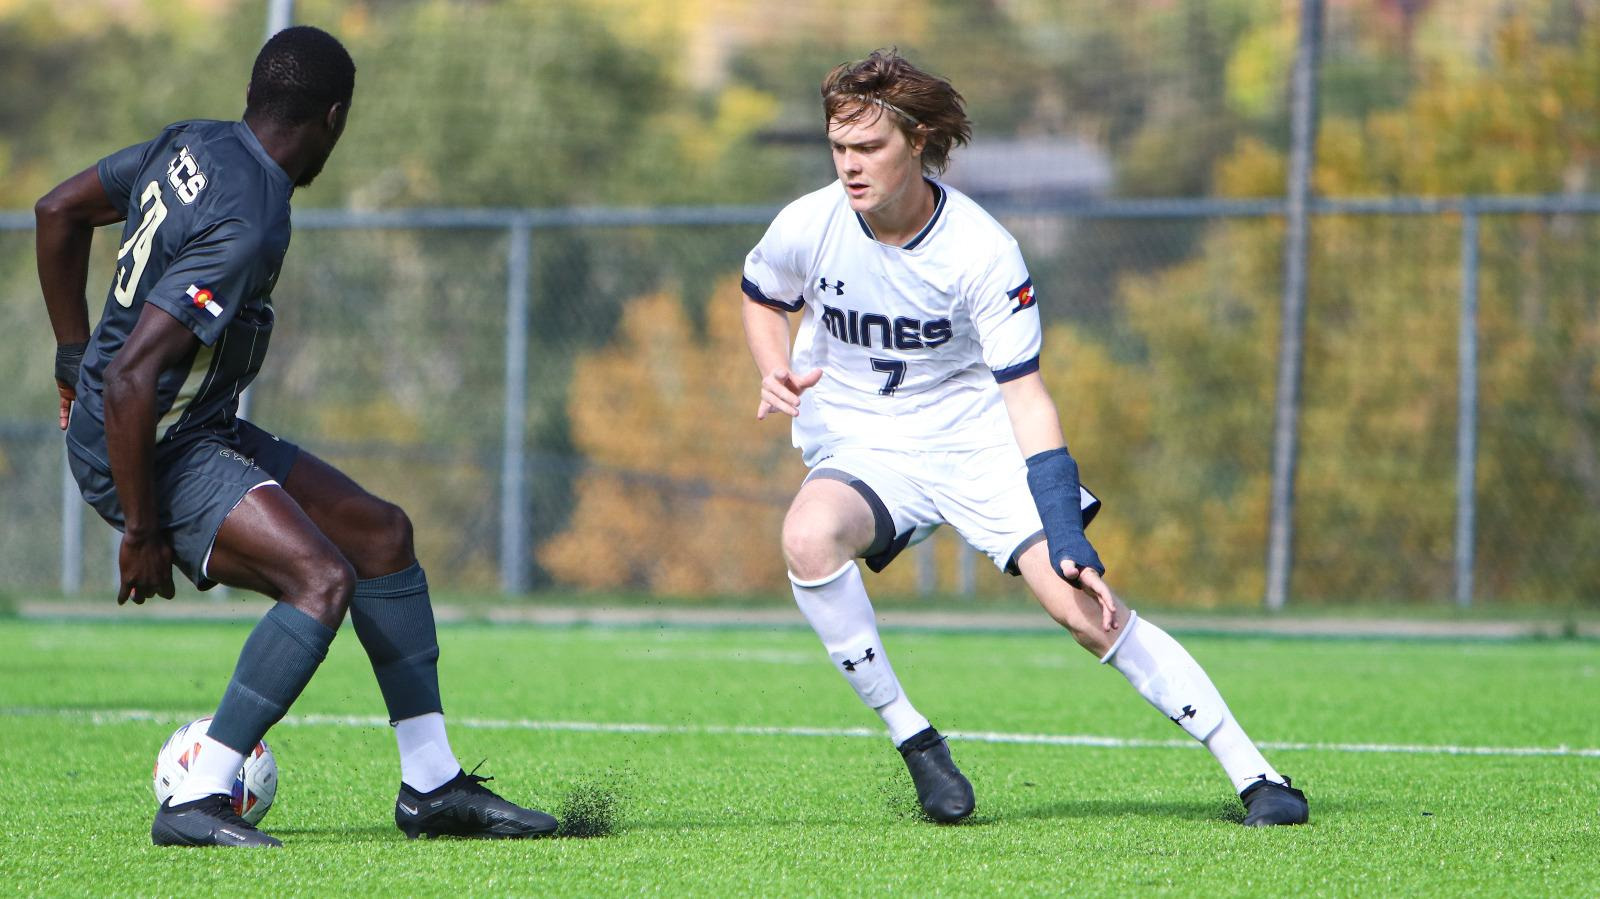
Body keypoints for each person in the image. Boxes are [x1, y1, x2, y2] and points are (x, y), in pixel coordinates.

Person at [740, 49, 1308, 827]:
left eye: (869, 147)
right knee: (807, 537)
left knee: (1083, 607)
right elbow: (762, 298)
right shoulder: (809, 222)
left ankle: (1257, 776)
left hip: (978, 441)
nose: (850, 165)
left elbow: (1029, 401)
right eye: (839, 147)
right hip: (866, 440)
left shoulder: (982, 250)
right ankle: (916, 740)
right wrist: (773, 367)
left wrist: (1069, 532)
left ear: (919, 140)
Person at [36, 26, 557, 848]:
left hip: (187, 427)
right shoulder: (251, 217)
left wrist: (70, 358)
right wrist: (141, 529)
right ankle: (197, 797)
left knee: (381, 536)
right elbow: (135, 377)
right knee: (318, 579)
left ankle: (431, 784)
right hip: (146, 445)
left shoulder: (193, 143)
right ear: (334, 118)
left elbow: (57, 211)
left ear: (252, 97)